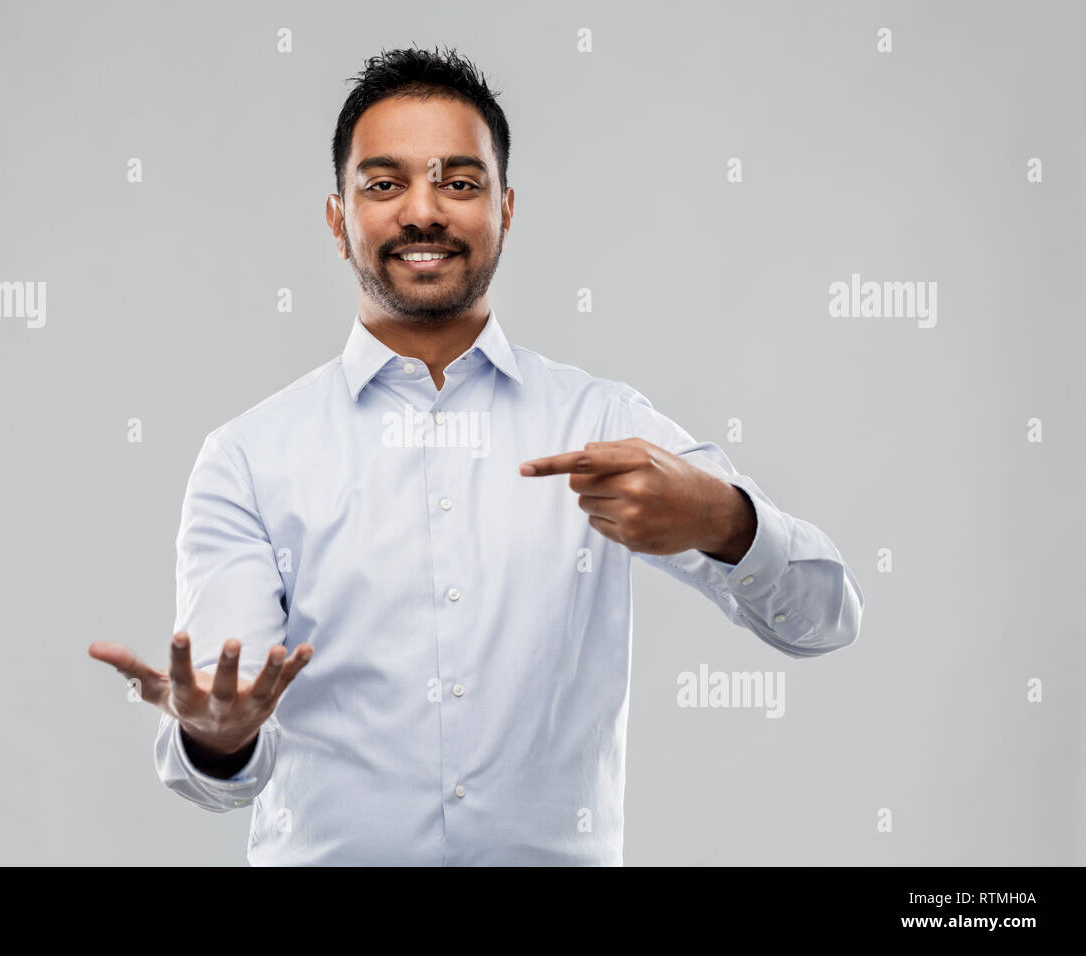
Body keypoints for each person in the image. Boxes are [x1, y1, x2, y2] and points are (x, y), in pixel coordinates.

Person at [88, 45, 864, 865]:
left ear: (506, 207)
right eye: (384, 185)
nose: (423, 212)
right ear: (337, 218)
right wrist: (220, 740)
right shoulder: (250, 458)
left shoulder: (600, 422)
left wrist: (720, 517)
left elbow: (826, 619)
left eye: (459, 183)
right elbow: (223, 769)